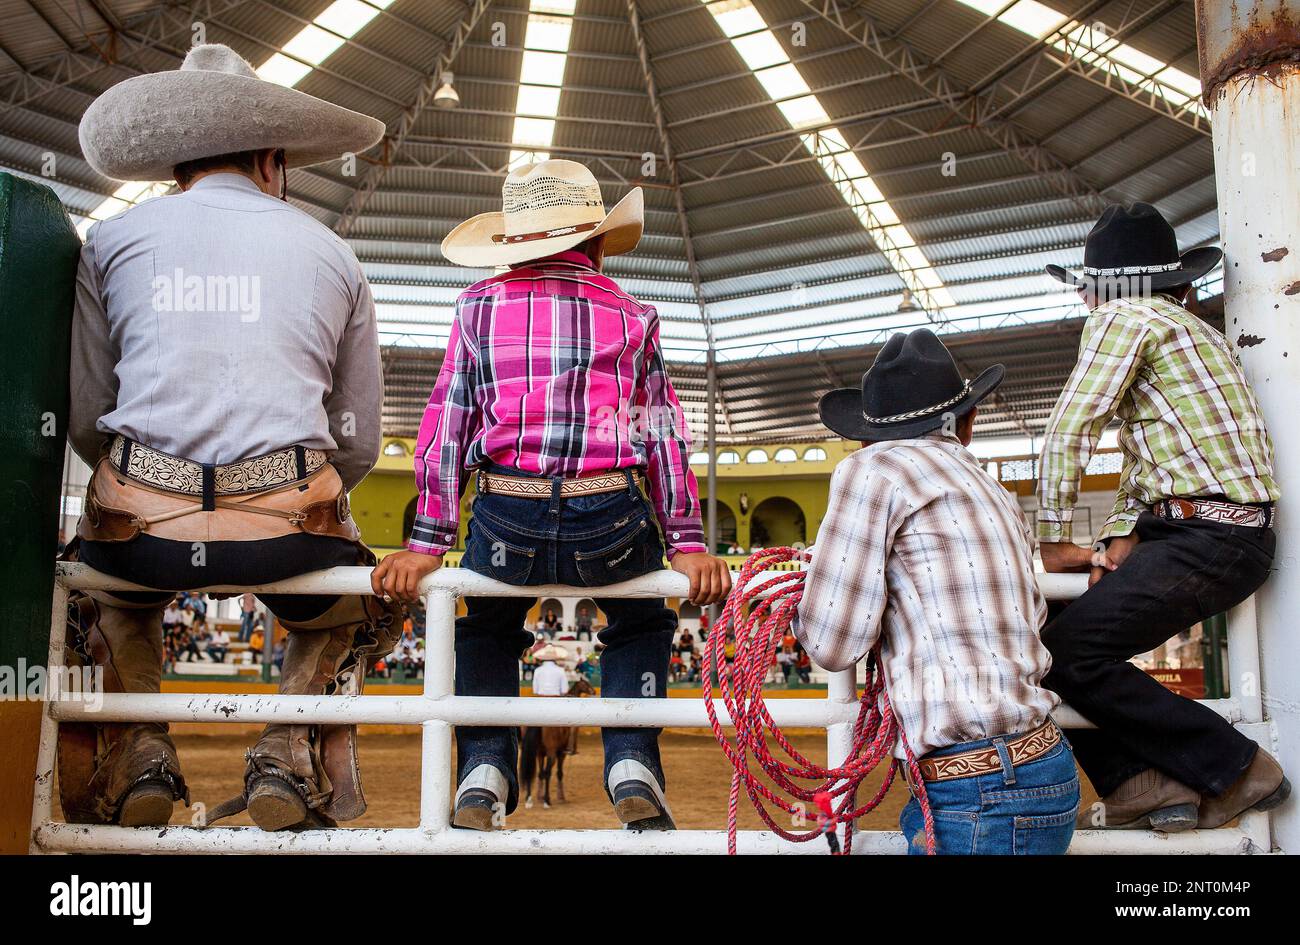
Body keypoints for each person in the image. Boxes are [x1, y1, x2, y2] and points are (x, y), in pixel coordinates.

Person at [62, 44, 399, 831]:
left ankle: (140, 746)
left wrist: (152, 485)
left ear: (178, 162)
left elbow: (86, 411)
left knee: (114, 600)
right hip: (289, 530)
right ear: (272, 157)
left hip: (140, 527)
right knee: (346, 605)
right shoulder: (333, 252)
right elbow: (357, 442)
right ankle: (286, 749)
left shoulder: (110, 243)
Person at [370, 159, 731, 832]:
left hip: (508, 513)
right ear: (596, 243)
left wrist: (427, 541)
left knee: (486, 625)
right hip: (611, 516)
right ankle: (631, 760)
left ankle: (484, 765)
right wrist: (685, 540)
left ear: (515, 244)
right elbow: (663, 433)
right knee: (646, 619)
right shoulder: (634, 313)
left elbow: (447, 424)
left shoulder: (477, 307)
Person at [1037, 203, 1289, 831]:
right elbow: (1146, 459)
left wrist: (1051, 539)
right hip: (1212, 530)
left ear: (1098, 292)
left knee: (1059, 651)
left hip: (1207, 534)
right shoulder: (1192, 335)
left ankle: (1231, 767)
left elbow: (1071, 429)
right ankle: (1147, 784)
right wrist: (1124, 531)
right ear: (1179, 284)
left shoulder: (1122, 317)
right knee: (1056, 630)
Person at [795, 329, 1077, 855]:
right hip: (1041, 765)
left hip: (975, 788)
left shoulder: (871, 469)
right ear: (965, 423)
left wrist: (801, 590)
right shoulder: (989, 484)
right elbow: (1033, 611)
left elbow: (833, 644)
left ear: (866, 435)